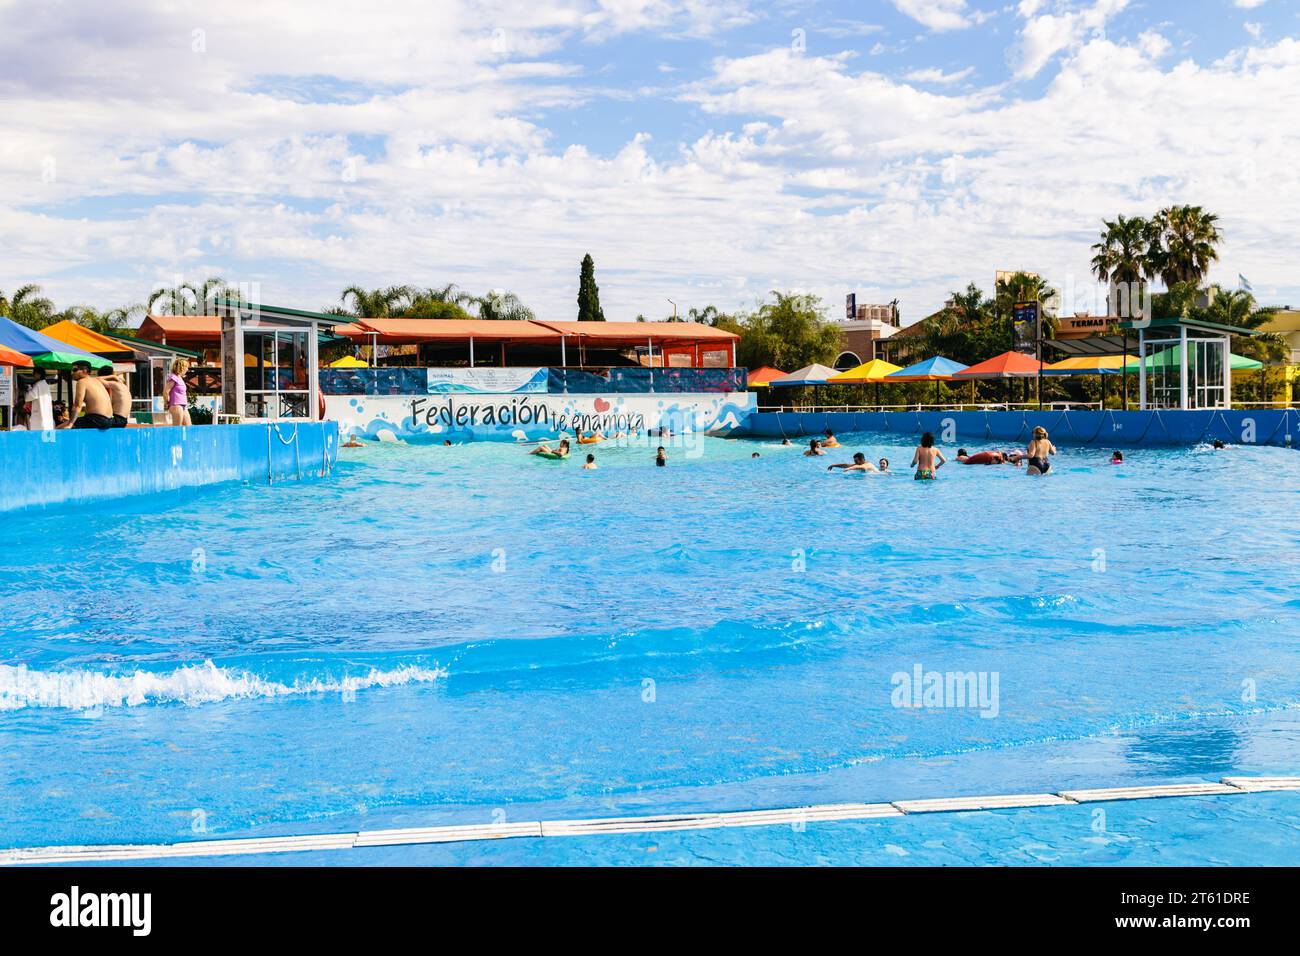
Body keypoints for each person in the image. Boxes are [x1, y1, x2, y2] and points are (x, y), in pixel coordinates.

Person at [62, 361, 114, 429]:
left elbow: (77, 405)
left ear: (84, 370)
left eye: (75, 370)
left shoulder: (82, 382)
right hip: (109, 421)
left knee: (59, 428)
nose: (72, 373)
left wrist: (70, 424)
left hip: (97, 419)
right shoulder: (96, 381)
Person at [163, 358, 192, 426]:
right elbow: (166, 391)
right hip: (176, 405)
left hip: (184, 405)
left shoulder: (180, 378)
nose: (187, 369)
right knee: (177, 428)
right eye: (186, 367)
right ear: (181, 367)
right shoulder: (173, 377)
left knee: (189, 427)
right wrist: (167, 403)